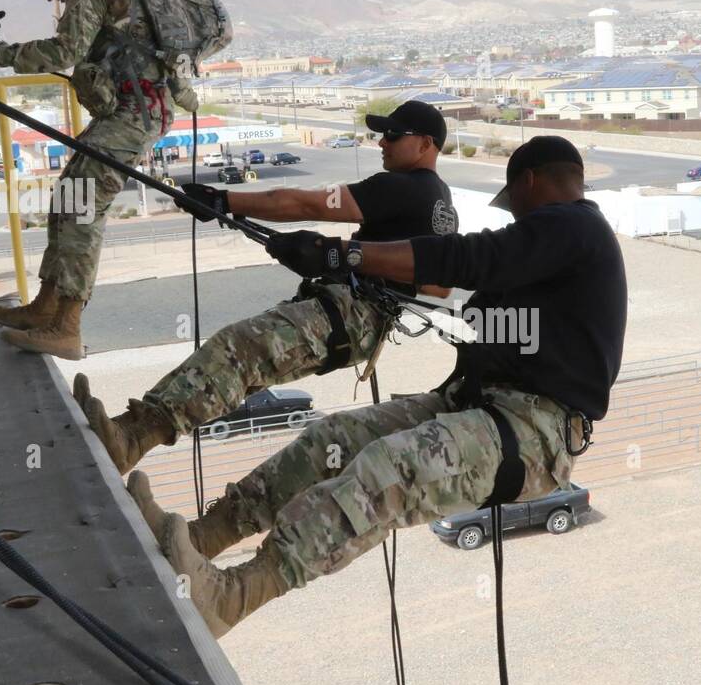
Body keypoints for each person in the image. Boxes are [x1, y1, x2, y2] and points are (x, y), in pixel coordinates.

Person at [127, 136, 628, 637]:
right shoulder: (559, 253)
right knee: (332, 440)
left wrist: (342, 257)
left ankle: (235, 595)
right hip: (478, 403)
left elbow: (474, 258)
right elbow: (483, 303)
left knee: (388, 469)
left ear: (529, 182)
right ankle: (202, 536)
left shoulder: (575, 224)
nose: (514, 214)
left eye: (513, 201)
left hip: (533, 432)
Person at [74, 100, 460, 474]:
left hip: (349, 313)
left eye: (392, 136)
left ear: (425, 144)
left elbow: (309, 204)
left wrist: (223, 199)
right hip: (360, 326)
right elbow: (438, 288)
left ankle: (131, 437)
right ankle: (129, 430)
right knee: (240, 362)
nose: (381, 143)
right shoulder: (442, 202)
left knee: (235, 349)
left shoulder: (402, 187)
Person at [0, 0, 194, 360]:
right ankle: (46, 308)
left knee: (81, 206)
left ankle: (67, 328)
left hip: (136, 114)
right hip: (129, 111)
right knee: (67, 196)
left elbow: (63, 52)